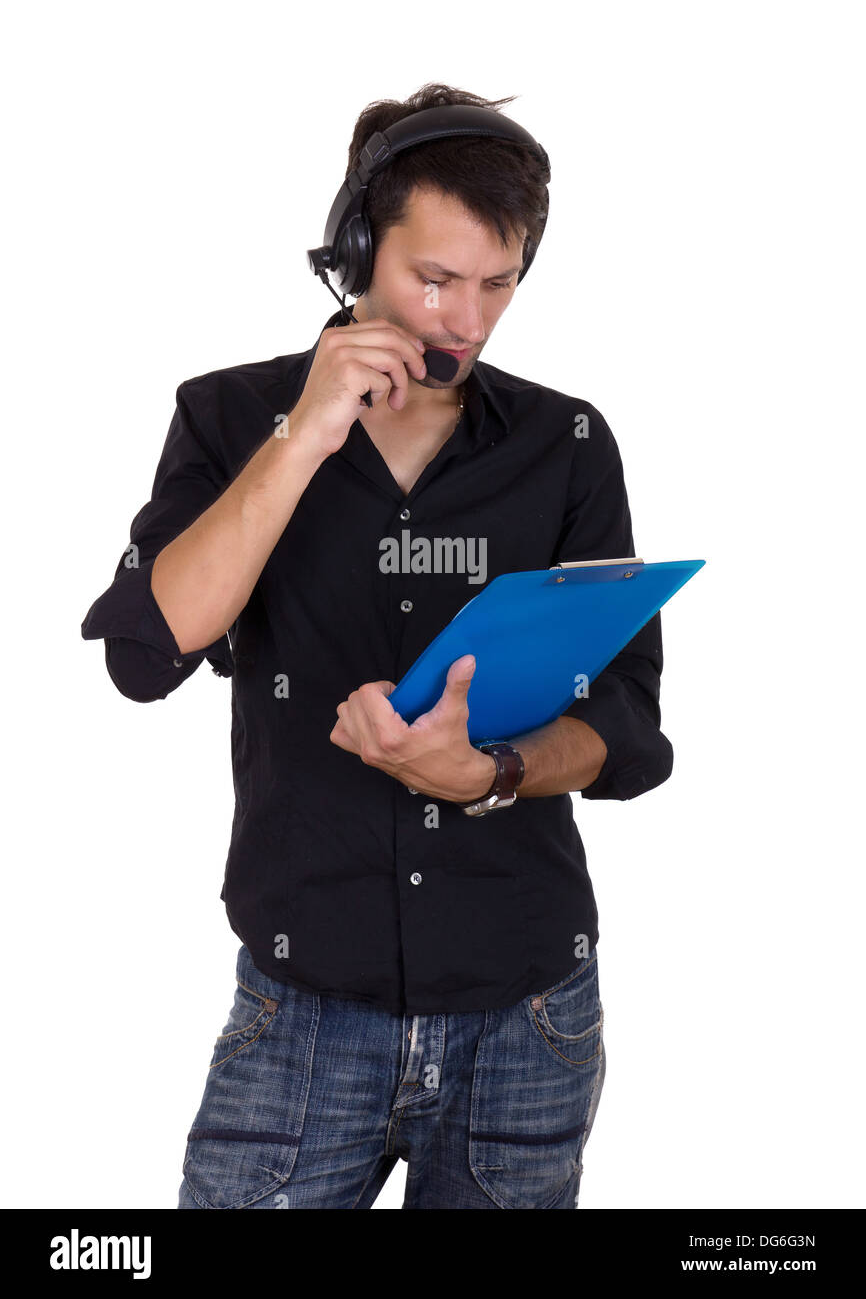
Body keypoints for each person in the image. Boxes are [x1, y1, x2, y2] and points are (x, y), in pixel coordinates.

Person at [81, 82, 673, 1209]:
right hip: (300, 1017)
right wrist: (306, 432)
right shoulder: (224, 417)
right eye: (433, 278)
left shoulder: (568, 443)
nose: (466, 320)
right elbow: (145, 653)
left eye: (497, 284)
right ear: (354, 247)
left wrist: (491, 773)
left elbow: (627, 723)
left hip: (526, 1017)